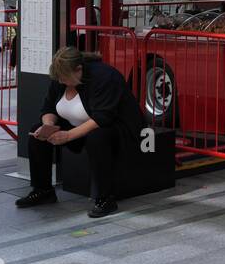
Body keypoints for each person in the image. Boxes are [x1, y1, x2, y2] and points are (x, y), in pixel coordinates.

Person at [15, 47, 147, 218]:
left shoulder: (105, 77)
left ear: (78, 70)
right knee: (36, 133)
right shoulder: (61, 78)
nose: (61, 82)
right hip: (79, 124)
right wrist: (48, 127)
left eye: (64, 78)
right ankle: (42, 190)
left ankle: (105, 198)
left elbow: (102, 118)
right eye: (59, 79)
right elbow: (48, 107)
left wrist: (68, 135)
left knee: (96, 137)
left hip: (116, 128)